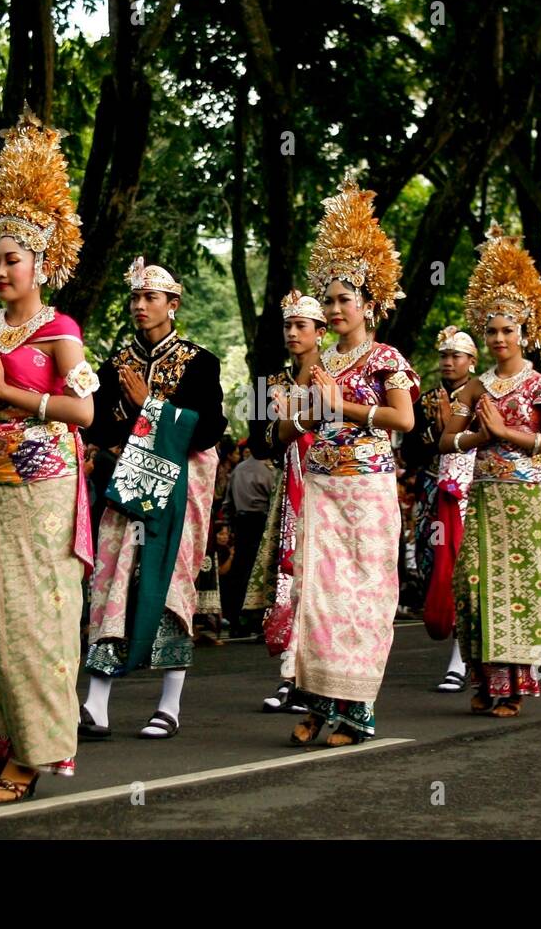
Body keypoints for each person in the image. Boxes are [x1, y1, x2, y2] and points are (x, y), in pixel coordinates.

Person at [0, 107, 97, 803]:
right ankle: (11, 744)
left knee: (36, 622)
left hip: (47, 492)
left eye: (13, 259)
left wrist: (13, 393)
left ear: (40, 263)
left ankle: (33, 757)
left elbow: (85, 412)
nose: (0, 269)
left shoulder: (60, 332)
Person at [285, 179, 418, 746]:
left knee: (362, 597)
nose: (337, 309)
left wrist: (338, 403)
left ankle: (356, 706)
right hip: (321, 484)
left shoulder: (386, 356)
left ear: (368, 303)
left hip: (366, 492)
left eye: (346, 299)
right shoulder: (321, 359)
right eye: (330, 299)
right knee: (314, 593)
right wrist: (301, 411)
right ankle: (319, 699)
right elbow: (313, 424)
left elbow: (404, 421)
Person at [82, 257, 226, 740]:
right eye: (135, 298)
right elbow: (97, 423)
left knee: (170, 585)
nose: (140, 306)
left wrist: (151, 406)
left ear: (173, 304)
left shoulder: (201, 361)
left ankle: (169, 704)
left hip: (181, 490)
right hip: (127, 486)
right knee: (112, 579)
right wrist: (130, 419)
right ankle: (96, 702)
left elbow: (208, 431)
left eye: (151, 298)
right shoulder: (115, 362)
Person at [437, 226, 541, 717]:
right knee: (472, 584)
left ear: (524, 332)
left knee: (519, 591)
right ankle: (484, 678)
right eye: (491, 330)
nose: (498, 338)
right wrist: (481, 436)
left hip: (528, 500)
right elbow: (447, 440)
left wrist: (507, 434)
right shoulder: (473, 388)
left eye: (507, 330)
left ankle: (511, 688)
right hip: (486, 496)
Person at [243, 289, 326, 712]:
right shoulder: (271, 383)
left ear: (320, 332)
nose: (292, 333)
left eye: (301, 326)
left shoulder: (333, 377)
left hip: (329, 489)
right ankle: (290, 676)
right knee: (290, 580)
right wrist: (282, 424)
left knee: (320, 581)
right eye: (288, 325)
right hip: (289, 487)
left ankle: (315, 677)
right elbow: (259, 443)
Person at [406, 326, 478, 692]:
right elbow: (410, 451)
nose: (448, 362)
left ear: (472, 361)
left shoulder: (482, 398)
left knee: (461, 572)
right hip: (432, 492)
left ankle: (460, 657)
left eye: (456, 356)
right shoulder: (426, 399)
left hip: (467, 494)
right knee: (430, 565)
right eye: (444, 356)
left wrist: (454, 430)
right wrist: (436, 434)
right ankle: (451, 634)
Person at [222, 445, 277, 637]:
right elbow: (274, 500)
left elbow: (227, 502)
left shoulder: (238, 469)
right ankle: (256, 620)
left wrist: (228, 526)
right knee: (259, 570)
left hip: (241, 522)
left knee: (240, 570)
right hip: (260, 522)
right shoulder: (269, 471)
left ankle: (236, 620)